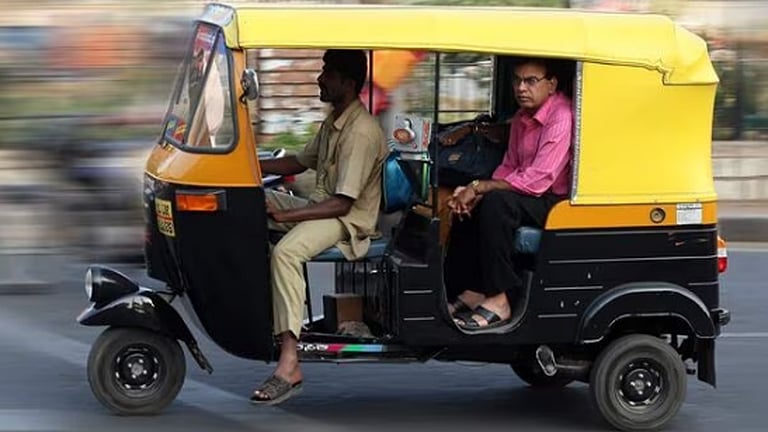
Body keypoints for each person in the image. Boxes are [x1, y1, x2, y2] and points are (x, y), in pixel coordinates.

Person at [250, 49, 388, 404]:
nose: (319, 79)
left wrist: (285, 217)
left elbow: (342, 204)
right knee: (249, 205)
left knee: (286, 253)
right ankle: (270, 314)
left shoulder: (360, 132)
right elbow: (298, 162)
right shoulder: (334, 121)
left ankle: (289, 363)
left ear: (348, 83)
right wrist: (245, 164)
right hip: (321, 207)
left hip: (345, 221)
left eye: (328, 73)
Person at [444, 57, 573, 332]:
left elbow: (539, 180)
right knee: (469, 206)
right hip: (528, 193)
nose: (521, 88)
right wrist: (473, 192)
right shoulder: (521, 117)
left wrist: (481, 188)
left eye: (531, 81)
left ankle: (499, 299)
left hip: (554, 202)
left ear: (551, 84)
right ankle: (472, 289)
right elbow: (509, 167)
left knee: (497, 203)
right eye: (517, 80)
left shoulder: (561, 116)